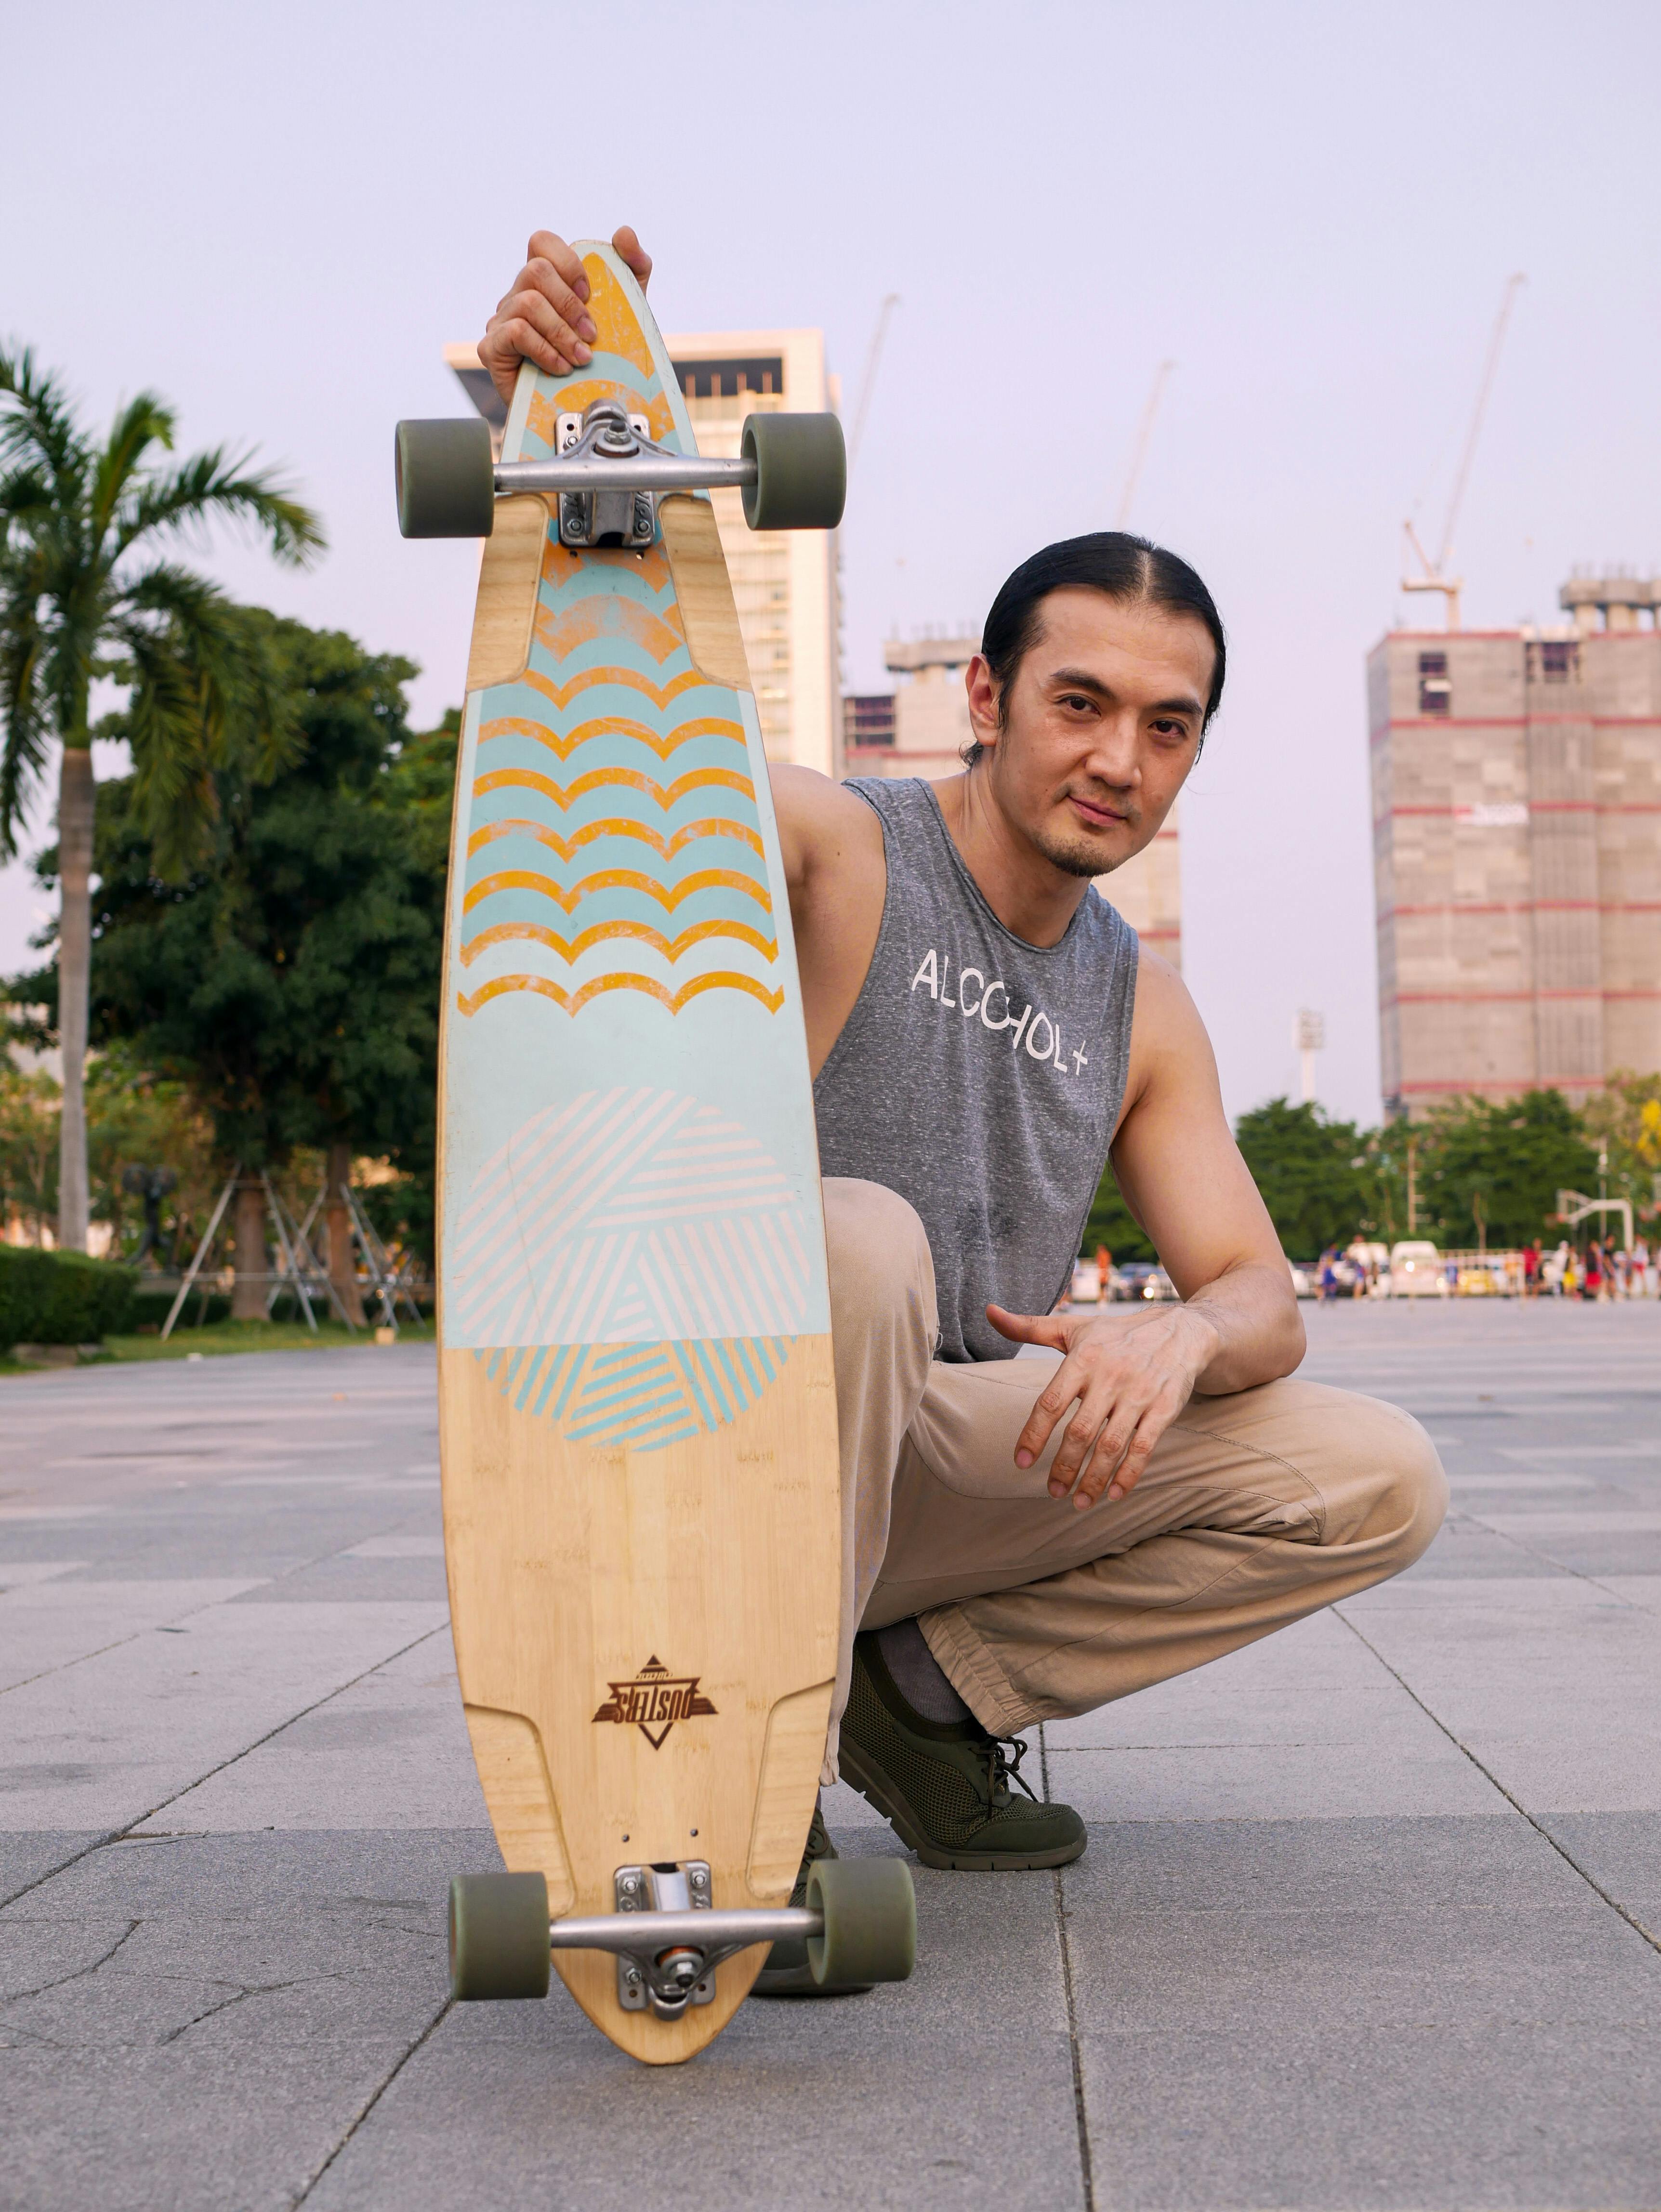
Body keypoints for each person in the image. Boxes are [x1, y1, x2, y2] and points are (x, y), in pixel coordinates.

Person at [477, 229, 1449, 1993]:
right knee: (863, 1240)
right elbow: (650, 759)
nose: (1117, 763)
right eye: (1079, 705)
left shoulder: (1144, 1005)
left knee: (1375, 1474)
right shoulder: (850, 850)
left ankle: (919, 1699)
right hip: (707, 1428)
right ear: (987, 696)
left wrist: (1175, 1340)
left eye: (1168, 729)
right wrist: (549, 465)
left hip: (924, 1465)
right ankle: (737, 1758)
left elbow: (1263, 1289)